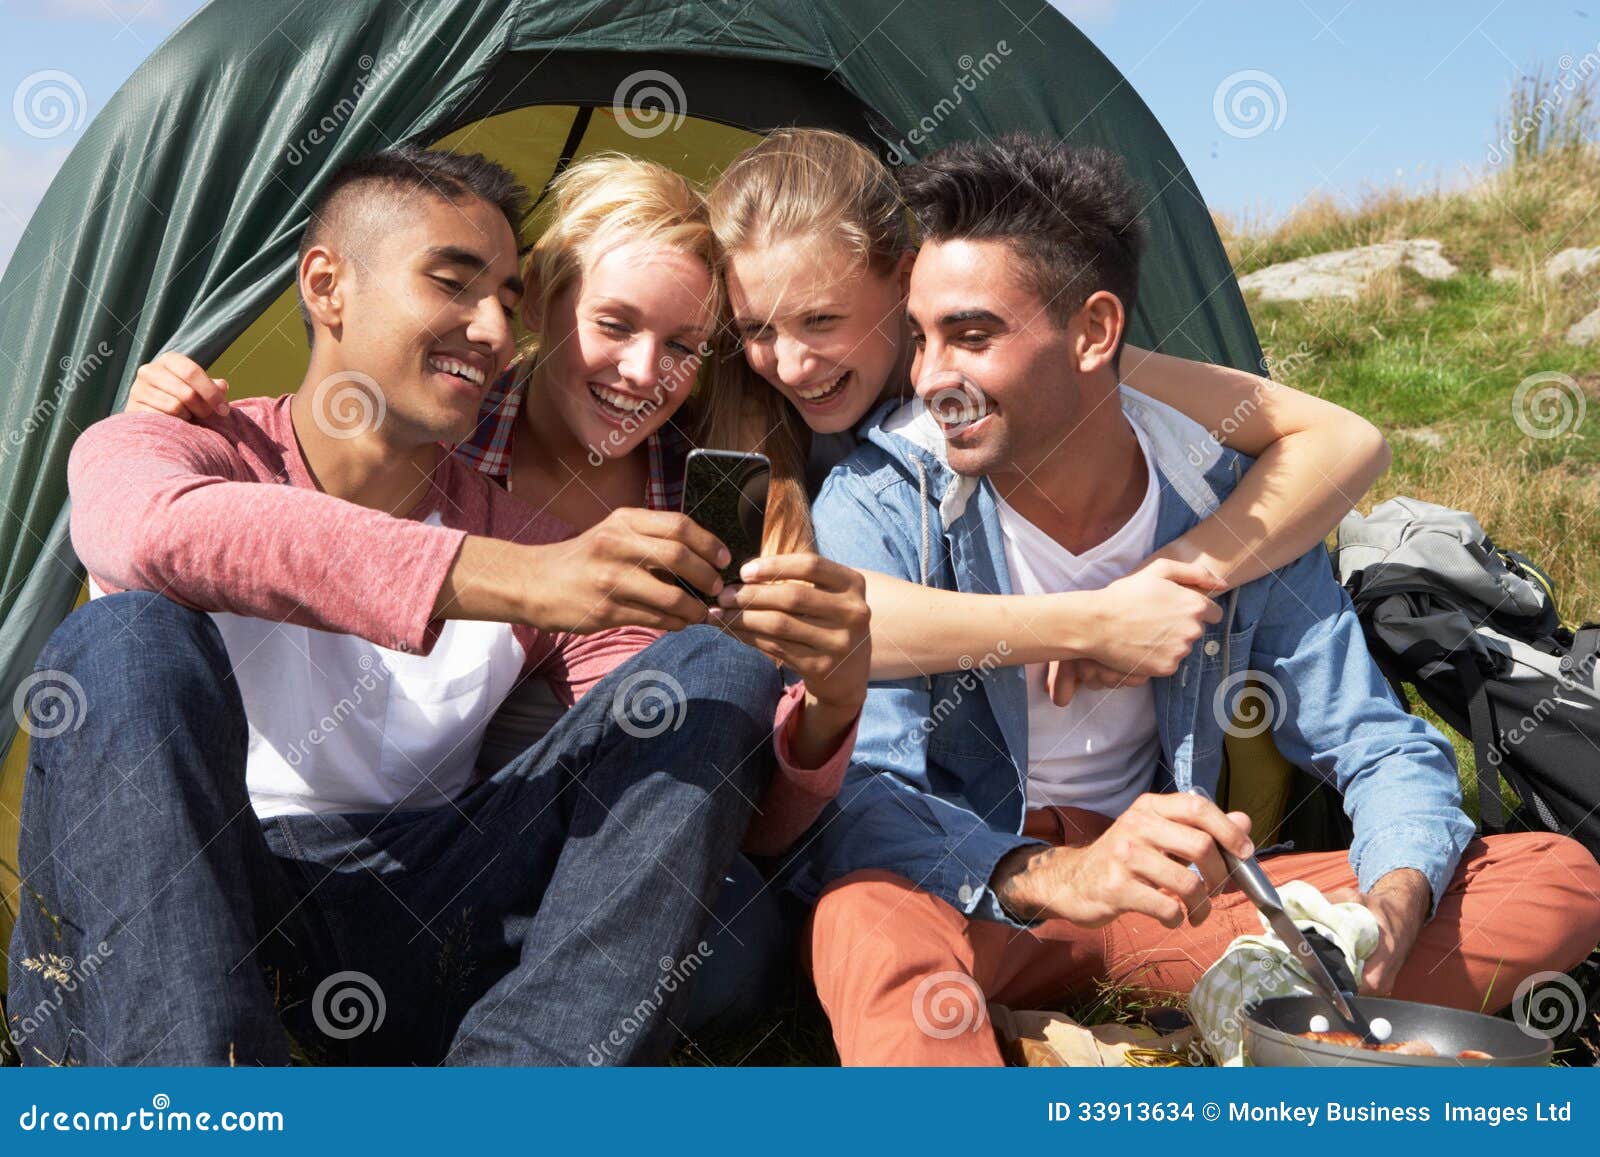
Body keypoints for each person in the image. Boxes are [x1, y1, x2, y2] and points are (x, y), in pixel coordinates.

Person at [7, 146, 867, 1067]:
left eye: (504, 297)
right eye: (452, 284)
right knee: (125, 635)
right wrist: (514, 577)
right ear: (327, 285)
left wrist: (831, 707)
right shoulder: (174, 442)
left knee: (716, 668)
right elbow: (143, 533)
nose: (491, 329)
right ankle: (192, 1098)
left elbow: (684, 788)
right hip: (197, 908)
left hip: (420, 917)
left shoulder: (534, 542)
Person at [793, 133, 1600, 1066]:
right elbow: (866, 799)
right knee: (861, 917)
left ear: (1096, 332)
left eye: (971, 337)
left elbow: (1376, 743)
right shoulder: (883, 500)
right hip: (982, 895)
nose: (931, 378)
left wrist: (1390, 904)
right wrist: (1055, 873)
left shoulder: (1227, 499)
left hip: (1172, 905)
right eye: (923, 337)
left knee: (1555, 878)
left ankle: (1124, 1034)